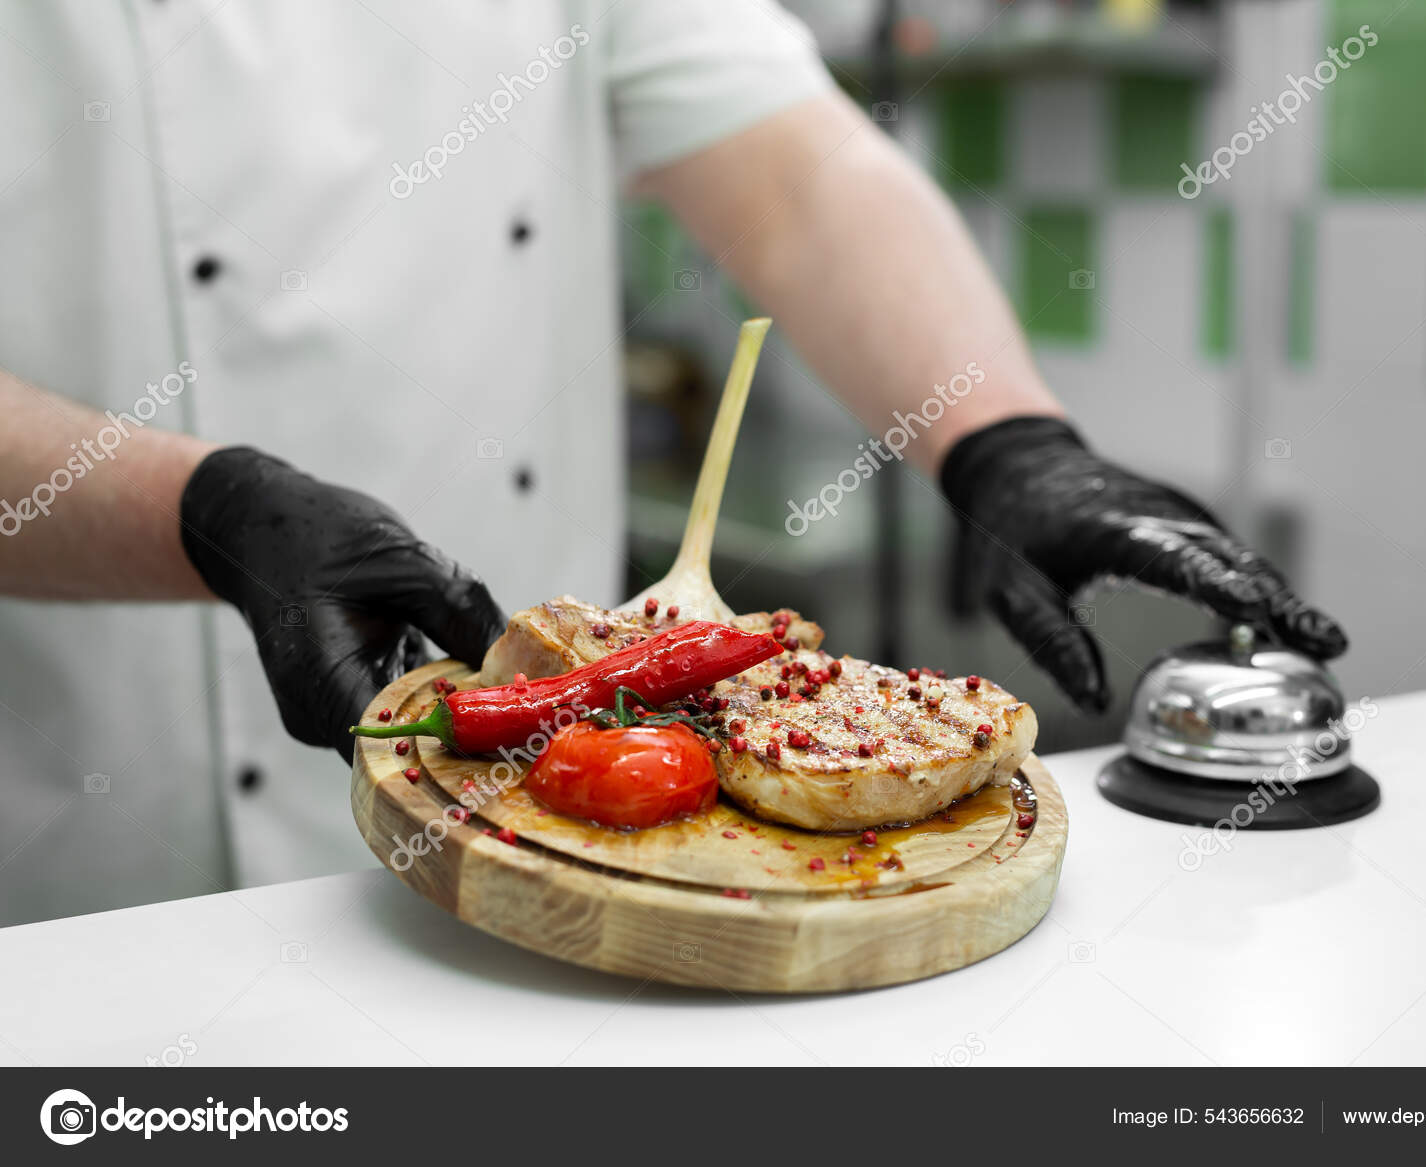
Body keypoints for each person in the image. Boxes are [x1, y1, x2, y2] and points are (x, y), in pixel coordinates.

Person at [0, 0, 1343, 927]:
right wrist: (198, 509)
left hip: (570, 844)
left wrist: (1008, 442)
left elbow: (795, 171)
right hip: (104, 833)